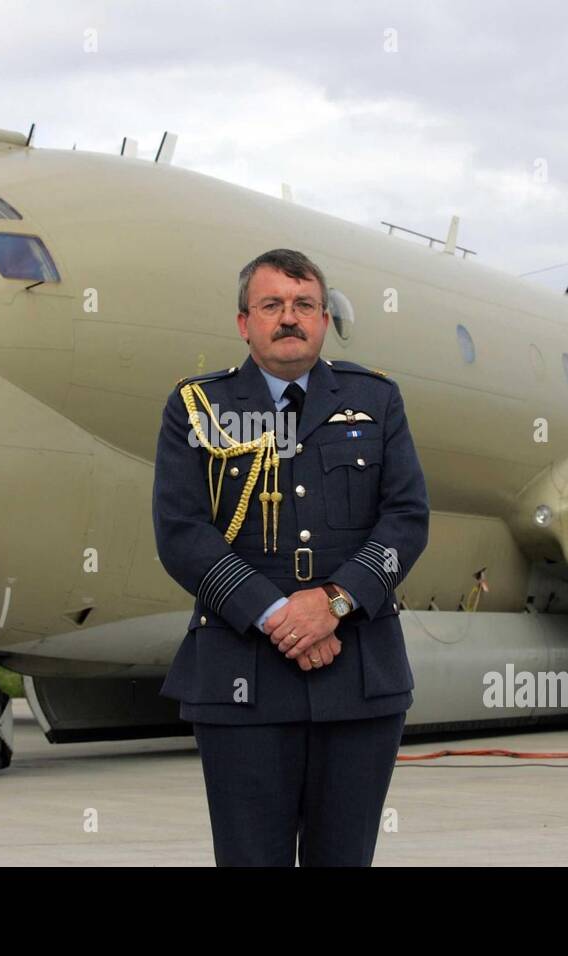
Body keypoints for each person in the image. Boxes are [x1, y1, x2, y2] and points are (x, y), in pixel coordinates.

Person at [152, 247, 429, 866]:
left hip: (358, 676)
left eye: (304, 305)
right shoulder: (199, 408)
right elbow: (181, 532)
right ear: (243, 322)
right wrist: (280, 612)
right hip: (241, 679)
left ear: (324, 319)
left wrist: (333, 602)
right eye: (271, 304)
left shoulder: (376, 400)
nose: (289, 317)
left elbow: (406, 519)